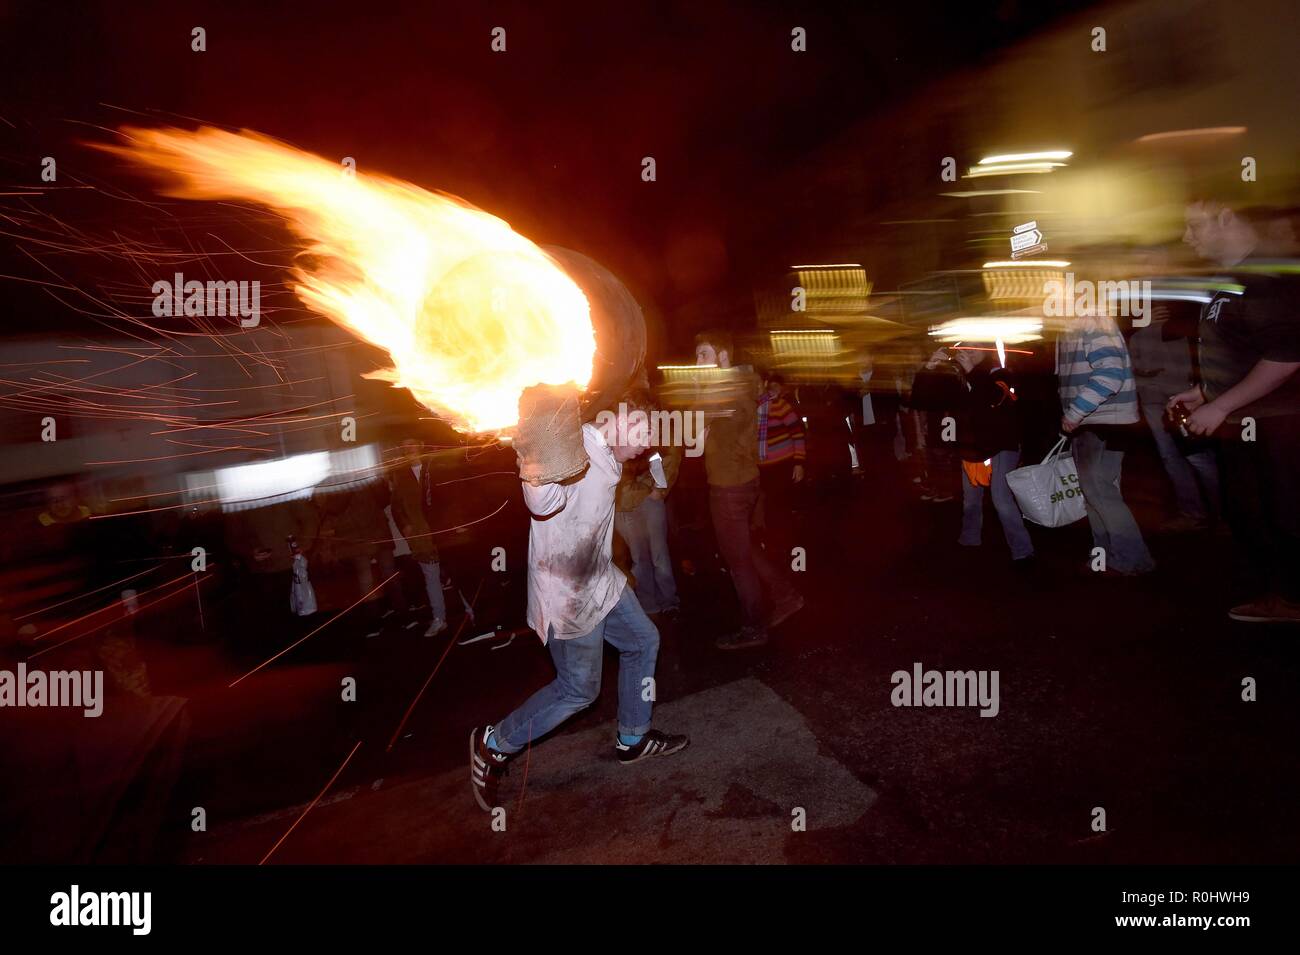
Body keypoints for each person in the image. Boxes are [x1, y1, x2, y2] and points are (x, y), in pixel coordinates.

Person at [470, 389, 688, 813]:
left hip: (600, 580)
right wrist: (540, 454)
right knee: (578, 690)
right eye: (643, 430)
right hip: (568, 592)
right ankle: (493, 743)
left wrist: (658, 464)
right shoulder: (575, 450)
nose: (646, 443)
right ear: (620, 416)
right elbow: (543, 500)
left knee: (644, 641)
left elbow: (631, 494)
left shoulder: (611, 455)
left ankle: (633, 737)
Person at [1171, 201, 1300, 622]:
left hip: (1278, 423)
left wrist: (1222, 403)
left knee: (1282, 512)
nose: (1187, 238)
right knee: (1250, 509)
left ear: (1226, 218)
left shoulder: (1264, 277)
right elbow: (1243, 353)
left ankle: (1290, 600)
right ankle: (1276, 592)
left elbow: (1285, 356)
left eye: (1194, 226)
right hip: (1247, 420)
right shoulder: (1230, 281)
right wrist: (1204, 392)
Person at [694, 330, 803, 650]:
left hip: (730, 485)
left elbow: (702, 432)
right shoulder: (730, 389)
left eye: (704, 354)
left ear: (722, 356)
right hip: (737, 481)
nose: (697, 361)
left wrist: (702, 400)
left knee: (737, 559)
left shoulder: (728, 392)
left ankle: (754, 626)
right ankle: (786, 596)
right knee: (745, 549)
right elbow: (699, 438)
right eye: (697, 354)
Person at [1057, 303, 1156, 576]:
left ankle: (1132, 559)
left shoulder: (1091, 322)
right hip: (1099, 421)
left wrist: (1075, 412)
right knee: (1099, 493)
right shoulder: (1073, 326)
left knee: (1100, 492)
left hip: (1101, 422)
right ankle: (1107, 556)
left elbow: (1110, 375)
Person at [924, 345, 1035, 565]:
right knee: (971, 499)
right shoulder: (956, 375)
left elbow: (994, 399)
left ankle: (1023, 551)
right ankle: (969, 539)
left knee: (1001, 499)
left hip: (1002, 443)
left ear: (988, 350)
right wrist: (930, 368)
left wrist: (971, 371)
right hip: (972, 446)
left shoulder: (1001, 371)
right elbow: (923, 400)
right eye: (966, 346)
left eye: (976, 347)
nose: (970, 351)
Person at [1128, 302, 1221, 532]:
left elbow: (1191, 341)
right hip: (1152, 399)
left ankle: (1224, 515)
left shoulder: (1179, 312)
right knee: (1171, 458)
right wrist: (1140, 326)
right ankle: (1192, 513)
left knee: (1199, 458)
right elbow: (1133, 362)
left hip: (1183, 397)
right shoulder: (1135, 321)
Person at [614, 403, 682, 616]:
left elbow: (657, 458)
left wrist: (658, 488)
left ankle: (668, 601)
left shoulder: (648, 432)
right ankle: (649, 605)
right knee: (639, 557)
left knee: (659, 554)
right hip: (624, 504)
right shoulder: (612, 435)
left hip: (647, 501)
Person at [388, 438, 448, 637]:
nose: (408, 448)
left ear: (421, 444)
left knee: (458, 573)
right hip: (420, 535)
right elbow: (396, 506)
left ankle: (471, 613)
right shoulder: (400, 474)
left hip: (444, 532)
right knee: (430, 577)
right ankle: (439, 618)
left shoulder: (434, 467)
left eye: (412, 443)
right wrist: (404, 524)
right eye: (404, 445)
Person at [755, 372, 806, 558]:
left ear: (764, 383)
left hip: (783, 466)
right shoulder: (751, 409)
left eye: (757, 382)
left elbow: (797, 433)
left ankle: (791, 549)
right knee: (771, 509)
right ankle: (777, 546)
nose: (755, 386)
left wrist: (798, 463)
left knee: (781, 508)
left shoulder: (779, 405)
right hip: (763, 468)